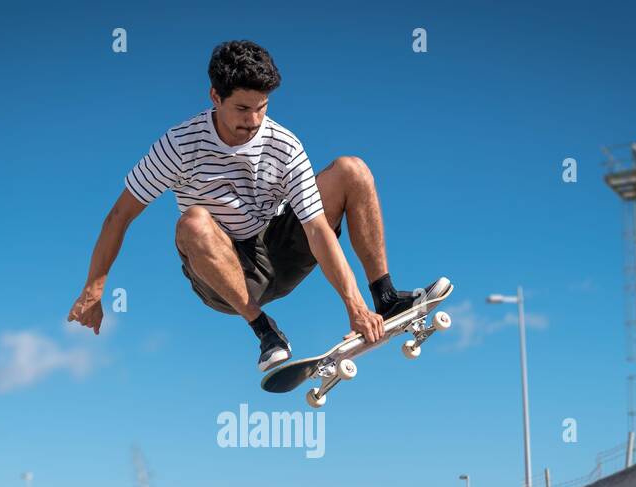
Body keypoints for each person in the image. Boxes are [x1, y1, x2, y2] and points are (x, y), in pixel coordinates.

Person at [67, 39, 439, 371]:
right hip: (225, 273)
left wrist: (355, 305)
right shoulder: (180, 145)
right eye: (243, 108)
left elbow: (316, 229)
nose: (254, 120)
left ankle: (385, 297)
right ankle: (265, 331)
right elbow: (120, 215)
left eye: (262, 107)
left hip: (280, 252)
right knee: (193, 221)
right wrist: (94, 288)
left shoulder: (284, 144)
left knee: (351, 170)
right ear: (215, 97)